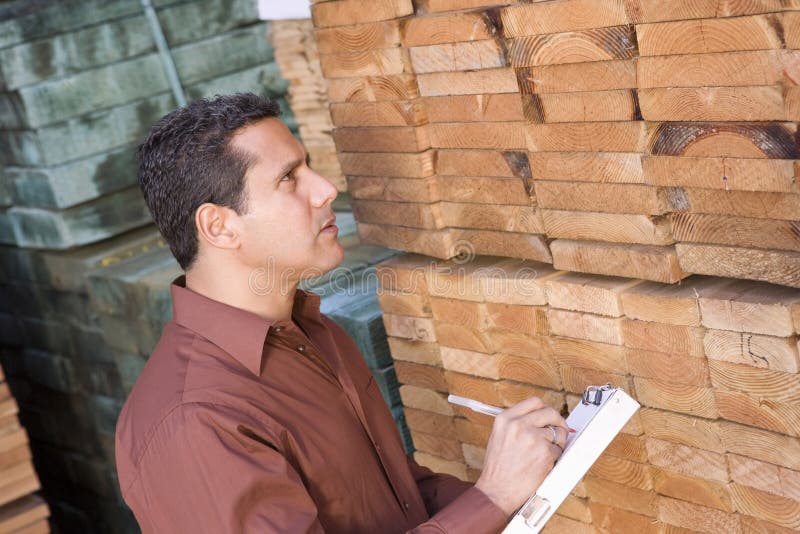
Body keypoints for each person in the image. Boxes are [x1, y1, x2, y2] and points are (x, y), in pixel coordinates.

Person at [115, 93, 568, 533]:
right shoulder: (194, 421)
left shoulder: (312, 332)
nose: (326, 189)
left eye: (308, 166)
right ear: (220, 226)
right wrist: (493, 496)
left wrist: (520, 485)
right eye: (289, 178)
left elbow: (400, 501)